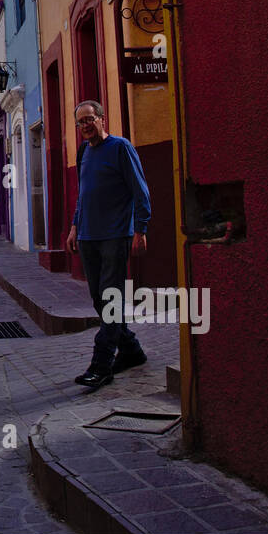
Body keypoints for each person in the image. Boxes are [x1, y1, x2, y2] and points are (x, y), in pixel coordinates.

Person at [66, 100, 151, 389]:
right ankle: (131, 351)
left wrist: (141, 229)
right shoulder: (83, 153)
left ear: (102, 119)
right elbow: (83, 194)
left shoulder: (120, 148)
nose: (86, 125)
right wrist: (75, 227)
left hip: (116, 236)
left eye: (90, 119)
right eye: (81, 122)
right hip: (88, 237)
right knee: (100, 301)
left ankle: (101, 366)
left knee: (111, 299)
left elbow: (140, 190)